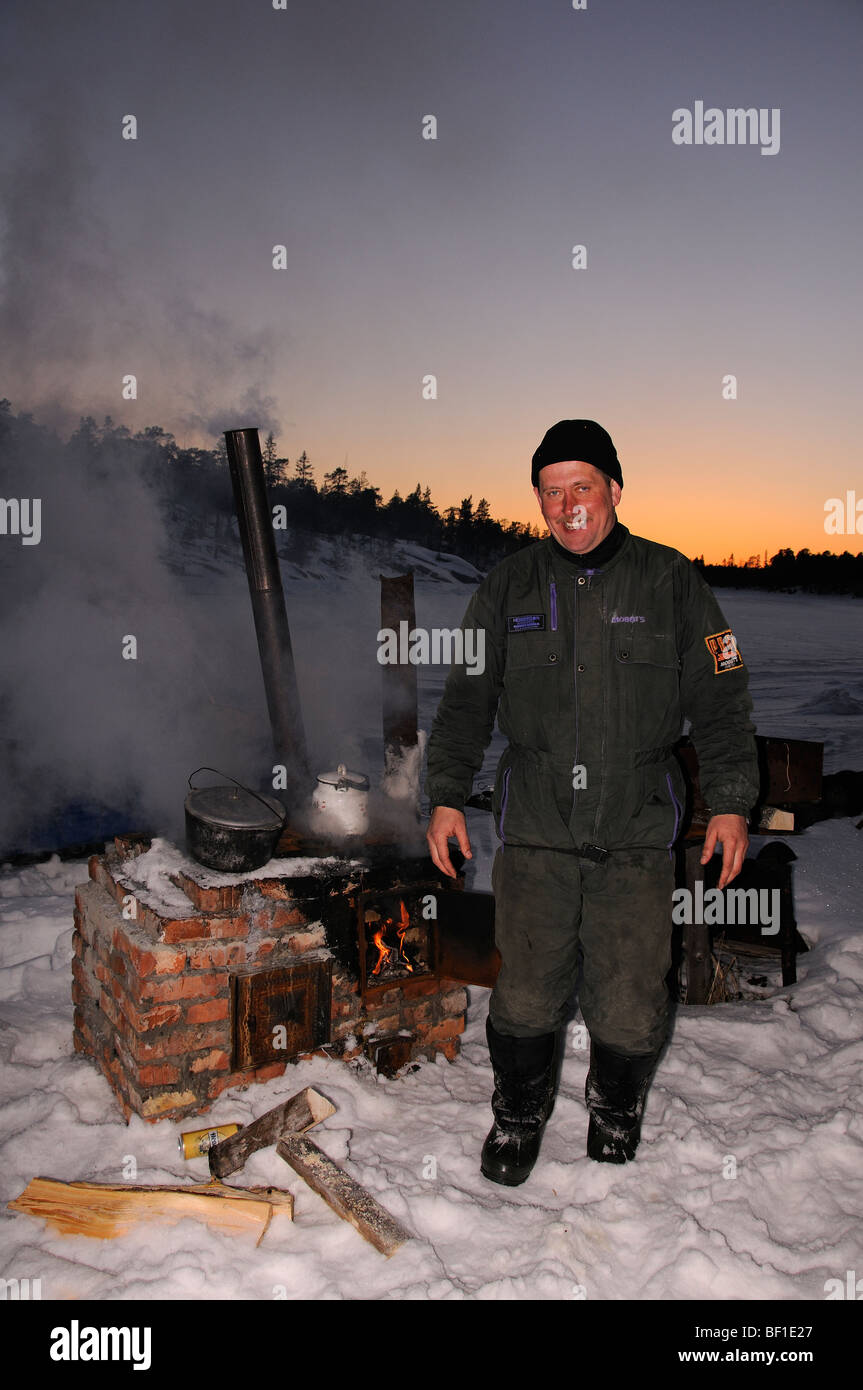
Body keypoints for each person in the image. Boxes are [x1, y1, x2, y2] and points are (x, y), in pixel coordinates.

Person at [425, 419, 759, 1185]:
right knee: (525, 993)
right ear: (537, 498)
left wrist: (733, 802)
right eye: (550, 489)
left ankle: (615, 1108)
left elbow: (722, 698)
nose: (566, 503)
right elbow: (464, 703)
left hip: (636, 828)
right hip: (537, 829)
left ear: (613, 489)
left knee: (631, 996)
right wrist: (445, 795)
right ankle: (516, 1117)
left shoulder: (672, 581)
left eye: (582, 485)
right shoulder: (506, 586)